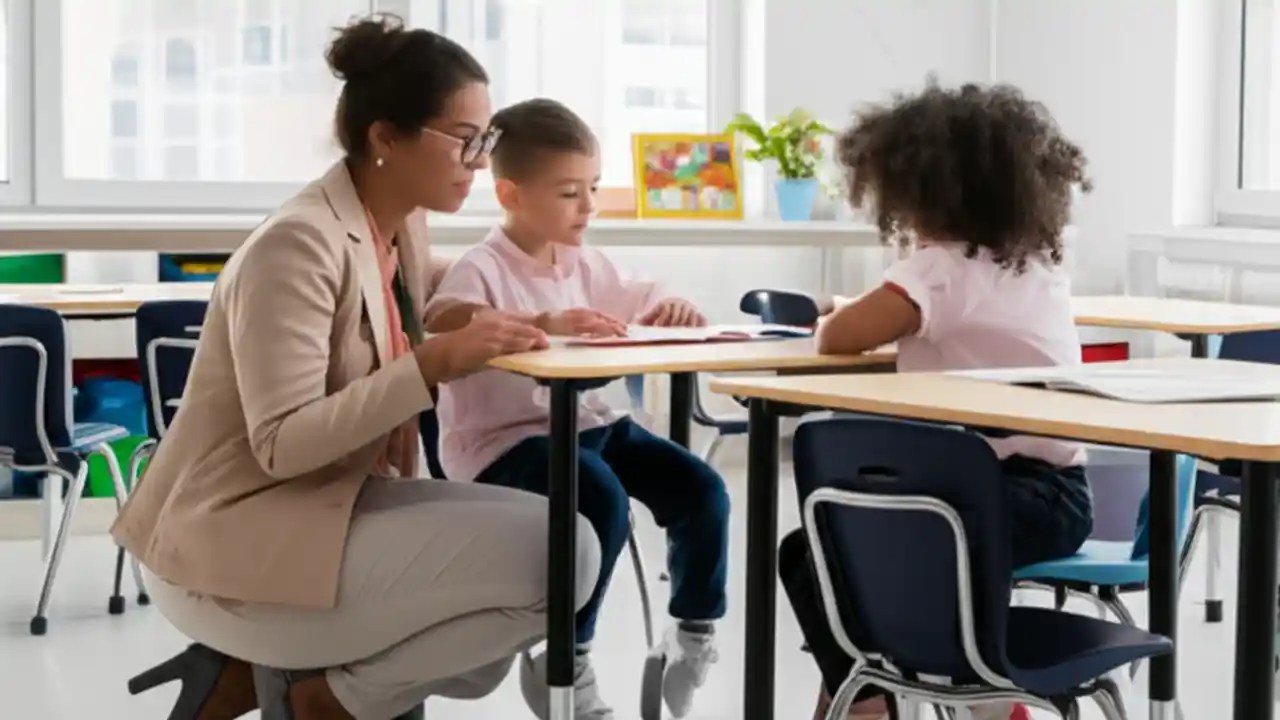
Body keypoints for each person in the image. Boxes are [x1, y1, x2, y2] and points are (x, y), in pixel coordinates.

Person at [113, 15, 600, 720]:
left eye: (486, 141)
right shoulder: (298, 246)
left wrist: (533, 315)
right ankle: (324, 696)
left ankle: (286, 679)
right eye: (466, 141)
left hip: (324, 502)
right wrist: (429, 367)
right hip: (230, 540)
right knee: (556, 560)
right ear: (384, 138)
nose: (479, 161)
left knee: (566, 546)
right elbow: (281, 445)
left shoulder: (396, 222)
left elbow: (426, 304)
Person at [779, 80, 1094, 720]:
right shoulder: (1028, 260)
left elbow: (838, 338)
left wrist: (847, 313)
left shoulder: (941, 267)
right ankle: (960, 699)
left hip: (991, 492)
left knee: (823, 549)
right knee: (839, 550)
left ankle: (874, 698)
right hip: (1057, 496)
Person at [424, 98, 731, 720]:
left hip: (596, 424)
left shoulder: (589, 263)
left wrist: (672, 305)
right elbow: (443, 318)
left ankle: (692, 636)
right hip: (506, 444)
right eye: (570, 193)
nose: (588, 207)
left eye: (591, 188)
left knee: (701, 489)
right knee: (599, 497)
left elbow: (648, 291)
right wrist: (539, 321)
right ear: (510, 194)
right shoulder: (482, 266)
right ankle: (567, 657)